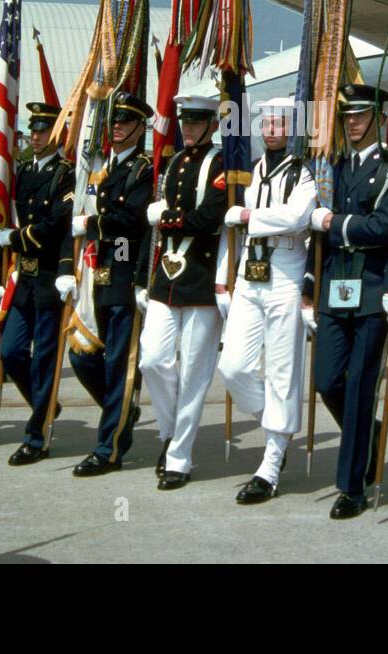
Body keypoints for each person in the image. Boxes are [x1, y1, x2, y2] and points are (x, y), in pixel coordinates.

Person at [305, 84, 388, 519]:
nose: (353, 122)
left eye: (361, 114)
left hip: (371, 288)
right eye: (347, 116)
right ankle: (369, 433)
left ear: (378, 116)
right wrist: (310, 285)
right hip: (334, 287)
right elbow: (316, 232)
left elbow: (382, 226)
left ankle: (352, 485)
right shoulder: (334, 167)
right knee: (327, 381)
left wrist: (336, 223)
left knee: (361, 385)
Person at [217, 97, 316, 504]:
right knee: (233, 366)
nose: (272, 130)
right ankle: (278, 423)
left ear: (291, 129)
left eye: (280, 124)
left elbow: (297, 217)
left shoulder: (305, 172)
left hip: (285, 272)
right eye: (267, 123)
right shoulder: (254, 170)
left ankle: (272, 462)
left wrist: (247, 217)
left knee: (281, 370)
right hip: (251, 273)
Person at [138, 94, 227, 490]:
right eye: (184, 122)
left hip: (201, 281)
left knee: (194, 373)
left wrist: (168, 217)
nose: (188, 129)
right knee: (152, 360)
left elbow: (209, 218)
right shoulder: (174, 161)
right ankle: (171, 431)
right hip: (165, 279)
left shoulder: (221, 163)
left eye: (195, 122)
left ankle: (179, 457)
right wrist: (145, 276)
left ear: (211, 124)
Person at [68, 92, 153, 476]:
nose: (117, 127)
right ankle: (121, 412)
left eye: (125, 122)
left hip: (123, 277)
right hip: (99, 277)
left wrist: (91, 224)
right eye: (114, 121)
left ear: (140, 127)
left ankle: (109, 449)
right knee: (85, 358)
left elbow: (132, 221)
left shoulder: (142, 169)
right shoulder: (106, 169)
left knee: (120, 365)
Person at [0, 102, 74, 465]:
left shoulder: (65, 175)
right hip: (23, 279)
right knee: (10, 352)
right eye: (33, 130)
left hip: (49, 278)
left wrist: (15, 238)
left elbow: (55, 225)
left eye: (42, 130)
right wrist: (0, 268)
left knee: (43, 361)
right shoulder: (22, 172)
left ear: (55, 134)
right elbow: (7, 215)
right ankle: (46, 403)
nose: (35, 136)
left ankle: (36, 436)